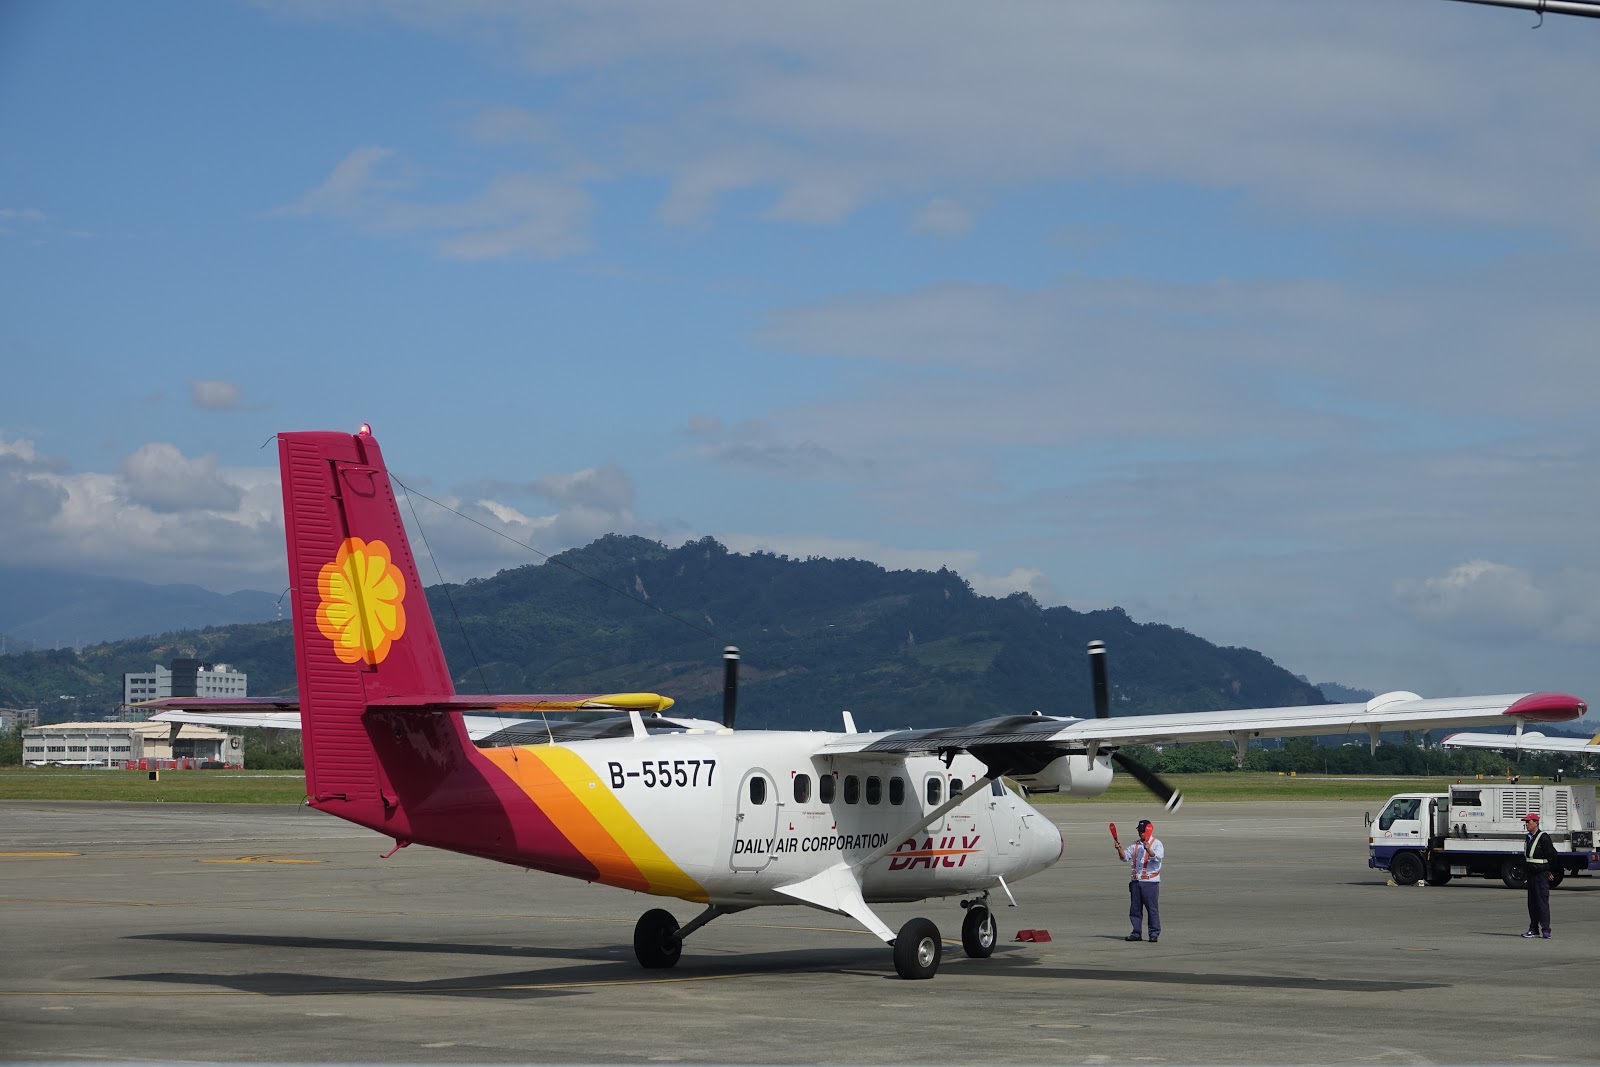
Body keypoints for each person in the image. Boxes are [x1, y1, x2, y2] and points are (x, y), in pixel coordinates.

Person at [1114, 818, 1164, 942]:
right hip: (1136, 881)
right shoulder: (1135, 844)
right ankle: (1136, 932)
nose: (1140, 833)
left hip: (1150, 882)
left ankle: (1154, 933)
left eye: (1142, 831)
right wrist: (1120, 849)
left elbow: (1157, 857)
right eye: (1139, 830)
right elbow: (1125, 857)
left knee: (1152, 909)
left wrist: (1148, 849)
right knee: (1135, 909)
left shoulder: (1157, 843)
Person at [1520, 812, 1559, 939]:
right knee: (1532, 903)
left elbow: (1552, 856)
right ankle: (1533, 929)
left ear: (1536, 822)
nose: (1527, 824)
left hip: (1541, 874)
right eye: (1526, 822)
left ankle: (1546, 930)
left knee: (1542, 902)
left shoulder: (1543, 837)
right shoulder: (1528, 837)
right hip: (1531, 874)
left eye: (1529, 822)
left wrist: (1551, 871)